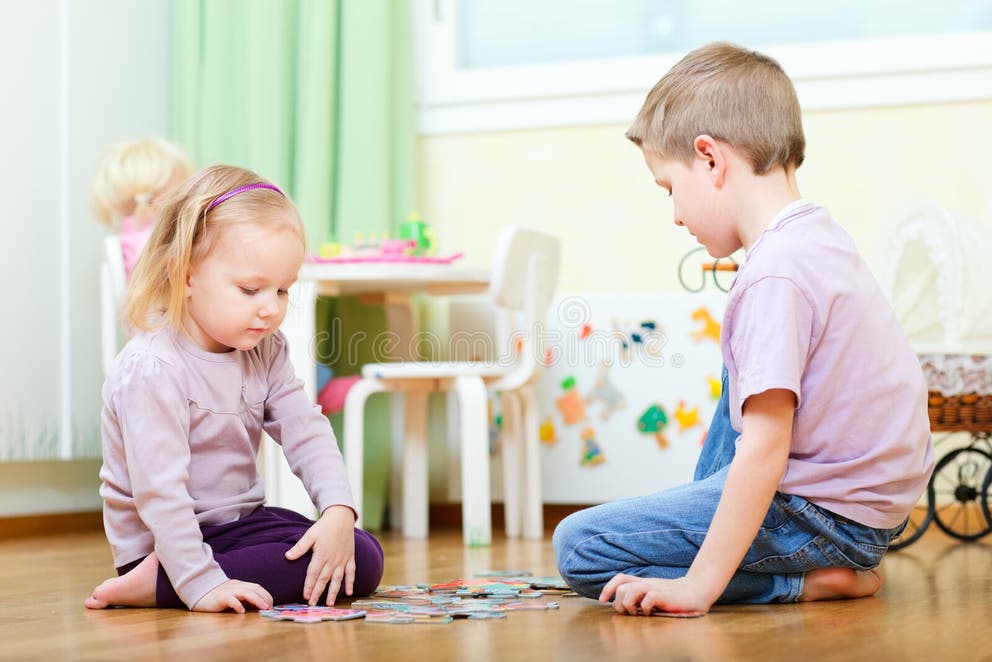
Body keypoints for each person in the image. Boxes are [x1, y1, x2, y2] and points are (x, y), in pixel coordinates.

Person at [553, 42, 934, 615]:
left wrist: (697, 587)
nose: (675, 215)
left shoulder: (773, 275)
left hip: (823, 518)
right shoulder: (816, 240)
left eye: (669, 189)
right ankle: (756, 549)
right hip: (864, 509)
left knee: (580, 546)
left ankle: (808, 580)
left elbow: (763, 451)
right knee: (745, 375)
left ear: (710, 159)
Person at [85, 165, 384, 612]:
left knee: (362, 553)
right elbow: (159, 493)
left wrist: (338, 510)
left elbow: (306, 431)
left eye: (282, 291)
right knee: (330, 561)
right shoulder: (152, 368)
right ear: (185, 275)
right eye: (250, 289)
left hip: (241, 523)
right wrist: (200, 582)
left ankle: (193, 577)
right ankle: (158, 585)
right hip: (166, 542)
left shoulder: (265, 349)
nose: (270, 309)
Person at [90, 137, 193, 278]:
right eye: (180, 190)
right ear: (153, 196)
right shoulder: (151, 242)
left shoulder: (128, 239)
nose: (188, 196)